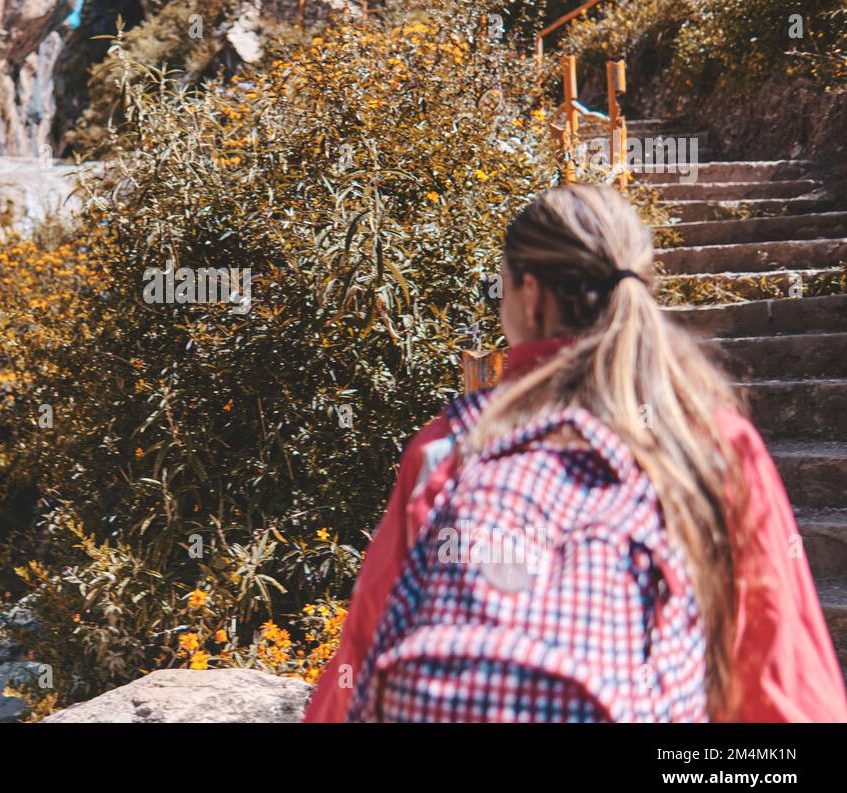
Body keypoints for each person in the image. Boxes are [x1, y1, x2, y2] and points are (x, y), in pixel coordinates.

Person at [304, 183, 847, 722]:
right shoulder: (711, 443)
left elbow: (364, 646)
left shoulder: (449, 446)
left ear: (532, 294)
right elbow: (780, 677)